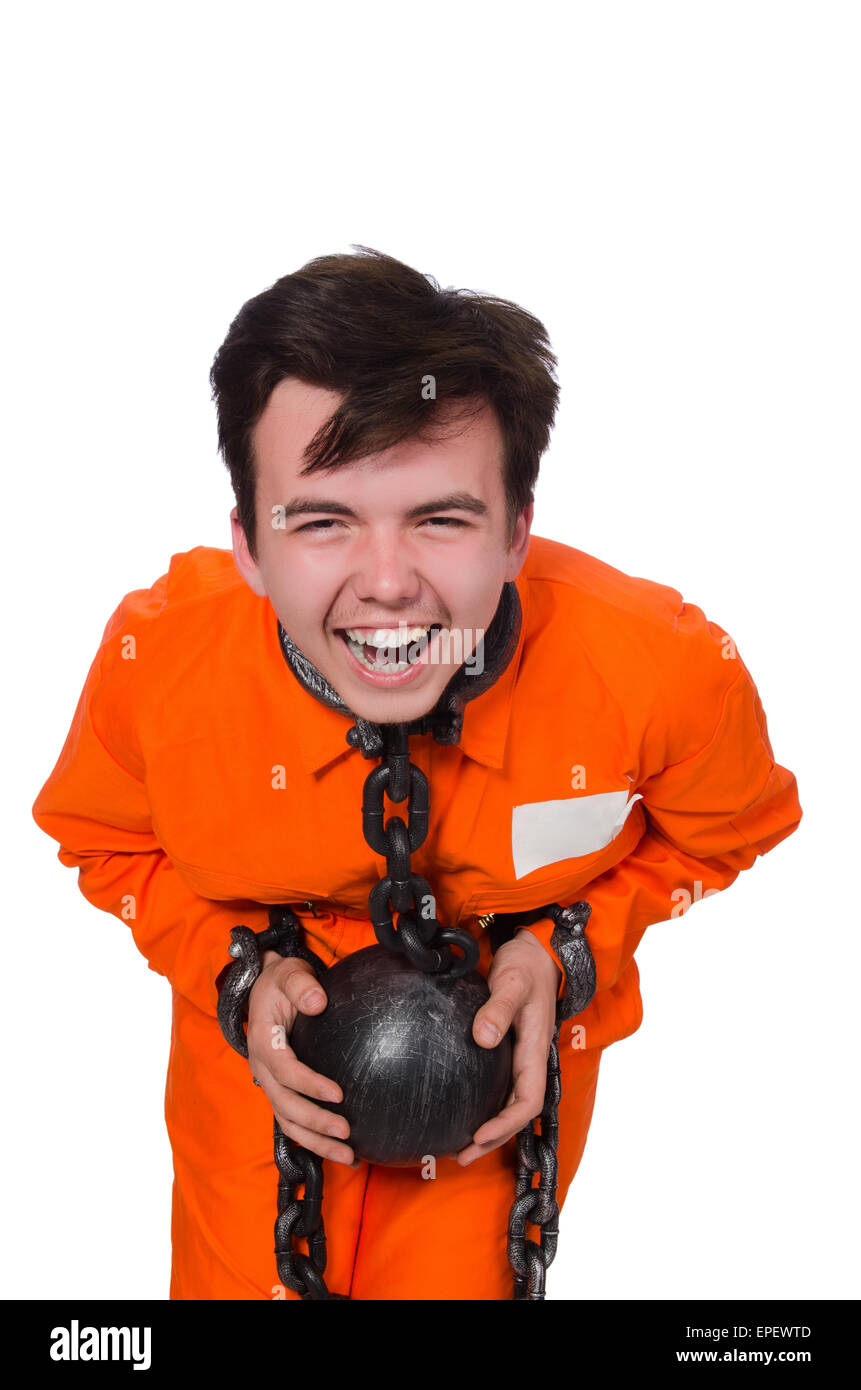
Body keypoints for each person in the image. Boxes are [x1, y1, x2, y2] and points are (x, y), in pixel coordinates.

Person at [31, 247, 803, 1301]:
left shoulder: (659, 673)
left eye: (440, 519)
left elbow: (723, 832)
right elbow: (106, 842)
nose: (388, 586)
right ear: (250, 546)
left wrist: (570, 951)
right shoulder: (160, 667)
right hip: (251, 1085)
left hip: (490, 1094)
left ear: (517, 531)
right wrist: (232, 968)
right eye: (321, 520)